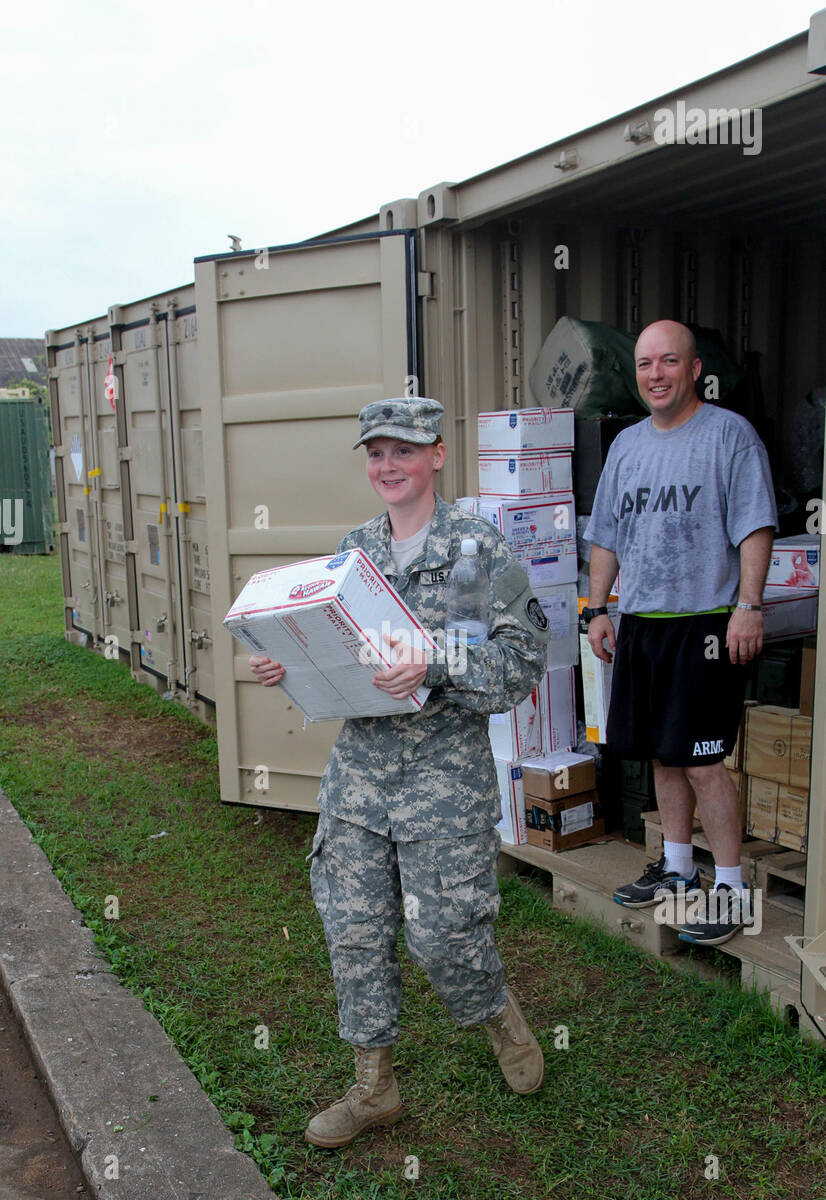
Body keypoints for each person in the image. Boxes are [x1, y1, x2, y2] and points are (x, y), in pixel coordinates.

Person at [250, 396, 551, 1147]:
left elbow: (524, 664)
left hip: (442, 782)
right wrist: (290, 661)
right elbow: (336, 646)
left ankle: (498, 1019)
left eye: (404, 450)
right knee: (354, 932)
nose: (387, 465)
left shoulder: (477, 551)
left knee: (445, 937)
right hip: (359, 779)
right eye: (376, 452)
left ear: (438, 455)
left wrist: (437, 659)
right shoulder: (354, 552)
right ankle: (373, 1086)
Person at [582, 320, 778, 945]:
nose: (656, 375)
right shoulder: (627, 446)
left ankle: (730, 890)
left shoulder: (730, 437)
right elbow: (607, 534)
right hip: (642, 623)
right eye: (644, 364)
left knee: (703, 761)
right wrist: (597, 609)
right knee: (663, 755)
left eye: (669, 362)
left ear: (695, 369)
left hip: (706, 625)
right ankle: (676, 872)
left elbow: (755, 527)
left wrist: (749, 605)